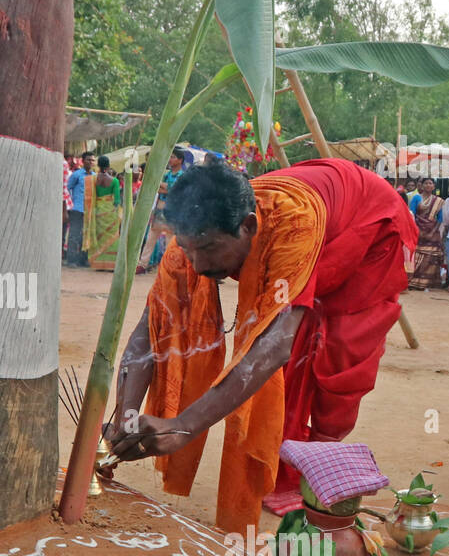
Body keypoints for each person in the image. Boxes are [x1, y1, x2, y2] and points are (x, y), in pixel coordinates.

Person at [106, 158, 417, 531]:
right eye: (189, 251)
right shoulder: (190, 240)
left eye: (209, 248)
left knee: (337, 357)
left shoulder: (293, 224)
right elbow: (150, 328)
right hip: (315, 225)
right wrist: (124, 414)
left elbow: (273, 346)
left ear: (248, 226)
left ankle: (318, 471)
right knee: (280, 361)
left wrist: (185, 425)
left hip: (365, 234)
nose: (199, 265)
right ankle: (281, 469)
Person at [83, 155, 123, 271]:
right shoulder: (114, 181)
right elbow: (117, 200)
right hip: (110, 211)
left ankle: (98, 263)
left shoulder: (92, 179)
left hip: (97, 211)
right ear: (109, 166)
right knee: (113, 237)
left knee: (99, 237)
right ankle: (111, 265)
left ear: (98, 165)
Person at [408, 177, 444, 290]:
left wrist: (432, 231)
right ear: (422, 186)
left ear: (434, 186)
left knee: (430, 257)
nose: (428, 185)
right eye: (426, 183)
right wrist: (415, 230)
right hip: (418, 231)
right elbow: (411, 214)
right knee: (415, 255)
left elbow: (440, 219)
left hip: (432, 233)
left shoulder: (438, 201)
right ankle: (412, 281)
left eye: (431, 183)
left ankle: (426, 283)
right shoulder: (416, 198)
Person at [65, 151, 95, 266]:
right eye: (88, 160)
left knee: (86, 235)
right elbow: (67, 188)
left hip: (89, 210)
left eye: (92, 160)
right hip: (77, 209)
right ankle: (72, 260)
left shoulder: (94, 176)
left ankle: (83, 259)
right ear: (83, 161)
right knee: (74, 235)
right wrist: (70, 204)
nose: (91, 162)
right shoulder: (76, 175)